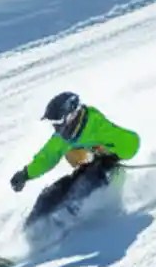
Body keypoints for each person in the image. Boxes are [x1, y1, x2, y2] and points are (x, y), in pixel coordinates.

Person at [9, 92, 141, 228]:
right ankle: (32, 227)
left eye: (58, 122)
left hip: (110, 173)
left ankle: (64, 221)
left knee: (84, 184)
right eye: (53, 124)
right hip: (87, 168)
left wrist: (113, 156)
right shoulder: (63, 137)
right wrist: (26, 174)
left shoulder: (97, 126)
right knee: (51, 194)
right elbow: (47, 157)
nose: (56, 127)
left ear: (72, 116)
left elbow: (133, 143)